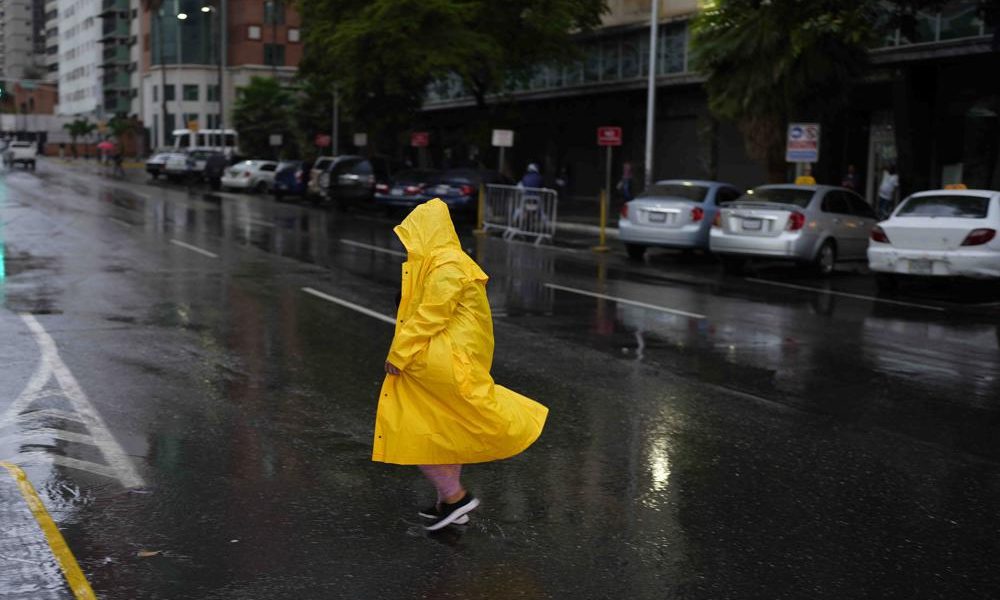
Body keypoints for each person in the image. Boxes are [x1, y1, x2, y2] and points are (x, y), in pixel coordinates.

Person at [374, 199, 548, 531]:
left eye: (415, 232)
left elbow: (430, 316)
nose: (410, 240)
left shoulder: (447, 266)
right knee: (446, 429)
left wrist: (399, 354)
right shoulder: (443, 263)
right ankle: (449, 502)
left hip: (442, 361)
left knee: (413, 428)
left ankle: (456, 498)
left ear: (428, 231)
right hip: (449, 360)